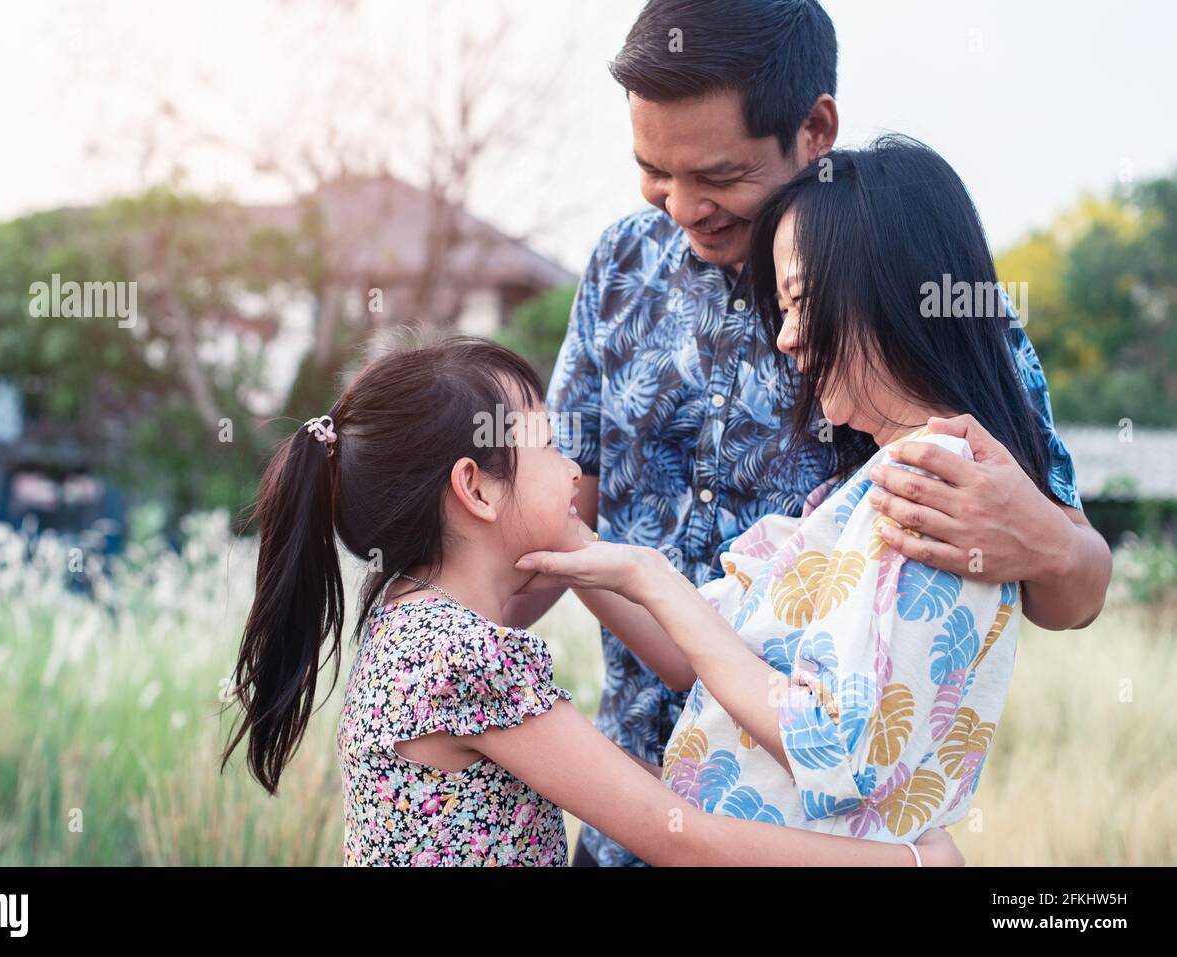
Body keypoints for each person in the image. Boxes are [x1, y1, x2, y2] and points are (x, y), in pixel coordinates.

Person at [503, 0, 1110, 867]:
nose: (682, 206)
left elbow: (1077, 585)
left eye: (716, 174)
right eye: (652, 171)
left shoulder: (927, 298)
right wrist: (440, 616)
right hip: (628, 812)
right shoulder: (620, 270)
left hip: (822, 841)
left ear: (815, 126)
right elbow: (553, 515)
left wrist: (1041, 539)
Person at [222, 336, 962, 866]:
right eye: (549, 443)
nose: (575, 464)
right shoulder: (461, 653)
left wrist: (584, 543)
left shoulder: (408, 621)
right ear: (474, 487)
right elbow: (674, 836)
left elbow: (649, 740)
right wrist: (906, 862)